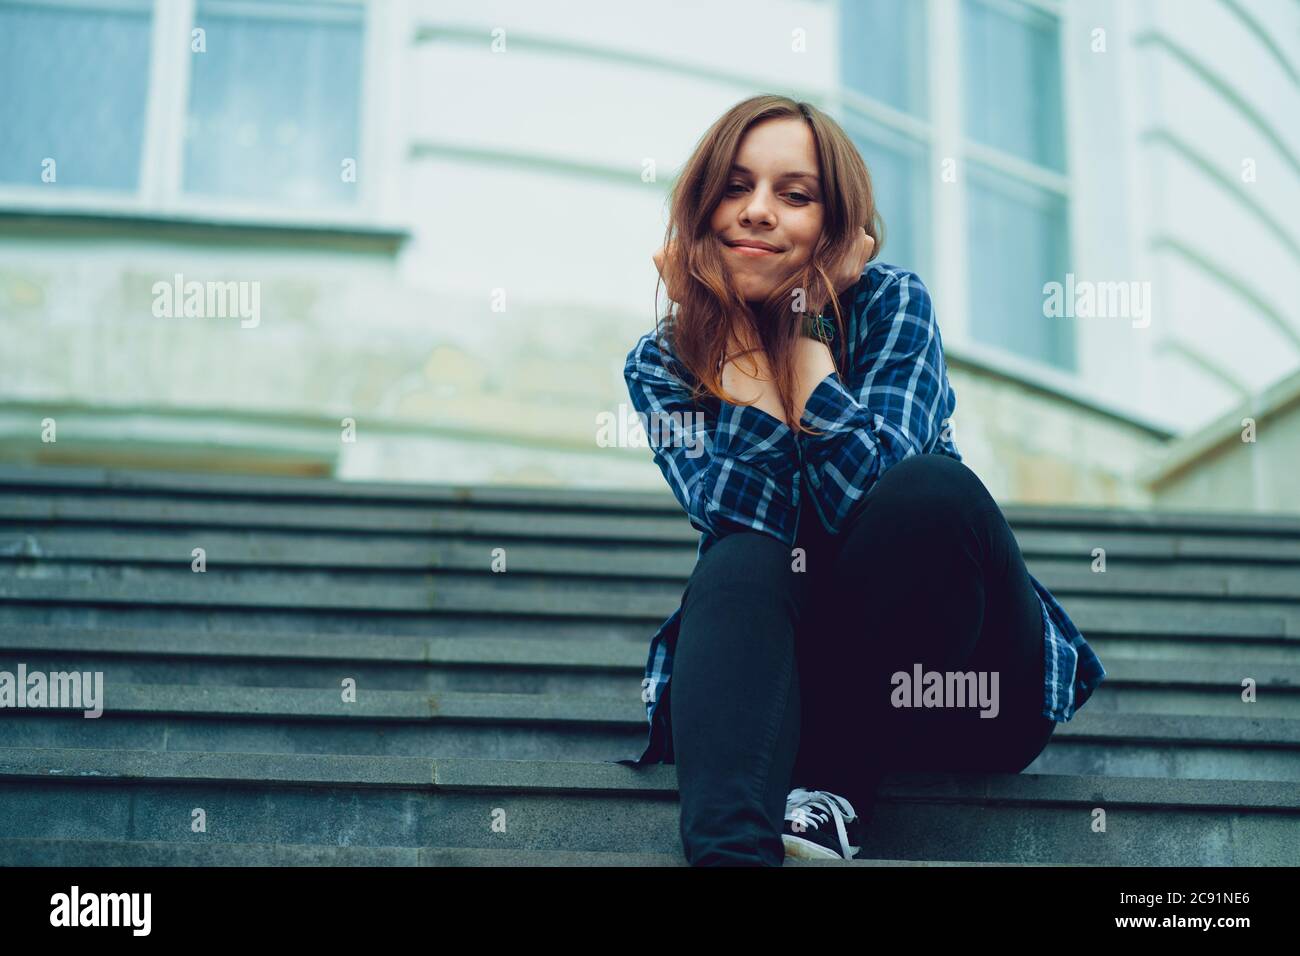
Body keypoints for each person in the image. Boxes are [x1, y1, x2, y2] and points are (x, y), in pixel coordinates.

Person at [616, 94, 1107, 867]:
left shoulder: (892, 305)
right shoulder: (663, 362)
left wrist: (809, 336)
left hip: (962, 684)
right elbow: (747, 519)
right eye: (735, 188)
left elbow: (867, 499)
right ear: (701, 207)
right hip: (785, 689)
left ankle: (838, 787)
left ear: (839, 224)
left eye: (795, 195)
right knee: (741, 557)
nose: (757, 212)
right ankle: (732, 854)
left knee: (930, 492)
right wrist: (743, 353)